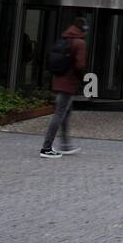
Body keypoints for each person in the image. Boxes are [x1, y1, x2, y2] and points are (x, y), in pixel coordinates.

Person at [39, 15, 88, 159]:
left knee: (66, 112)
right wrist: (82, 79)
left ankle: (65, 144)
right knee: (60, 113)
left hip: (58, 80)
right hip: (68, 83)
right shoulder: (80, 43)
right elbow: (80, 65)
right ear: (83, 29)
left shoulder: (65, 38)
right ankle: (46, 147)